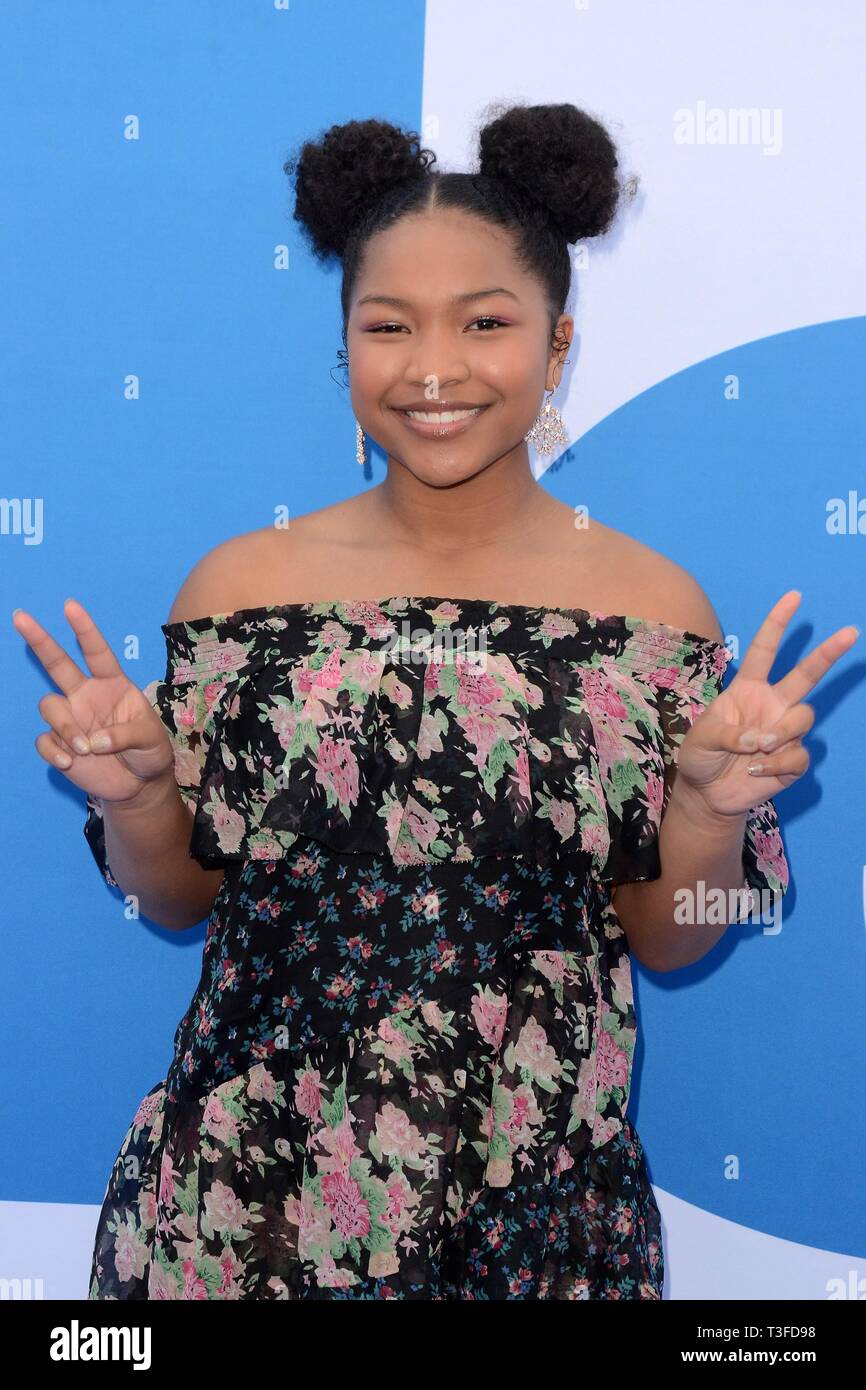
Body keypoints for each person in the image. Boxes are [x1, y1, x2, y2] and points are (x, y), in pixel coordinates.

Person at [14, 103, 857, 1301]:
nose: (433, 368)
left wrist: (708, 806)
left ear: (557, 347)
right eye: (387, 325)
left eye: (485, 323)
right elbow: (175, 899)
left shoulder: (653, 610)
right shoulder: (239, 589)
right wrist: (146, 795)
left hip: (542, 1223)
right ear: (341, 348)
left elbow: (673, 938)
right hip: (237, 1215)